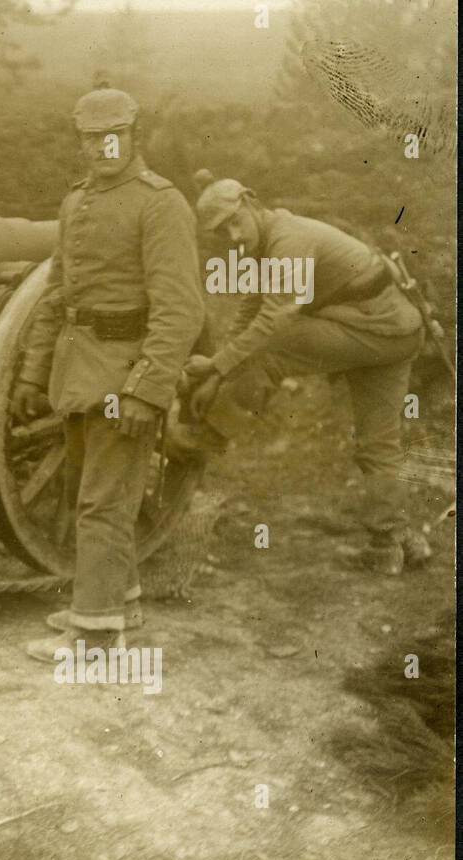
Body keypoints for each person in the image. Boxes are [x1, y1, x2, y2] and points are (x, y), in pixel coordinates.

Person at [11, 87, 204, 656]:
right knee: (85, 491)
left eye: (113, 134)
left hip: (124, 375)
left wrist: (147, 388)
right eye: (90, 137)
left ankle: (95, 634)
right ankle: (122, 599)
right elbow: (55, 294)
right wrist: (30, 371)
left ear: (135, 135)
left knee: (103, 500)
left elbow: (181, 309)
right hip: (77, 371)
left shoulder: (160, 203)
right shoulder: (78, 201)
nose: (102, 147)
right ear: (80, 142)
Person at [178, 172, 428, 574]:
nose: (233, 235)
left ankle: (208, 433)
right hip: (393, 333)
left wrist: (218, 366)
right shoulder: (268, 241)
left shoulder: (289, 239)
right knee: (378, 444)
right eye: (221, 231)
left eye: (234, 221)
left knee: (274, 345)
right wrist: (219, 369)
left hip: (376, 330)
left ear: (251, 201)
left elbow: (273, 319)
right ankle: (392, 544)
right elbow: (250, 306)